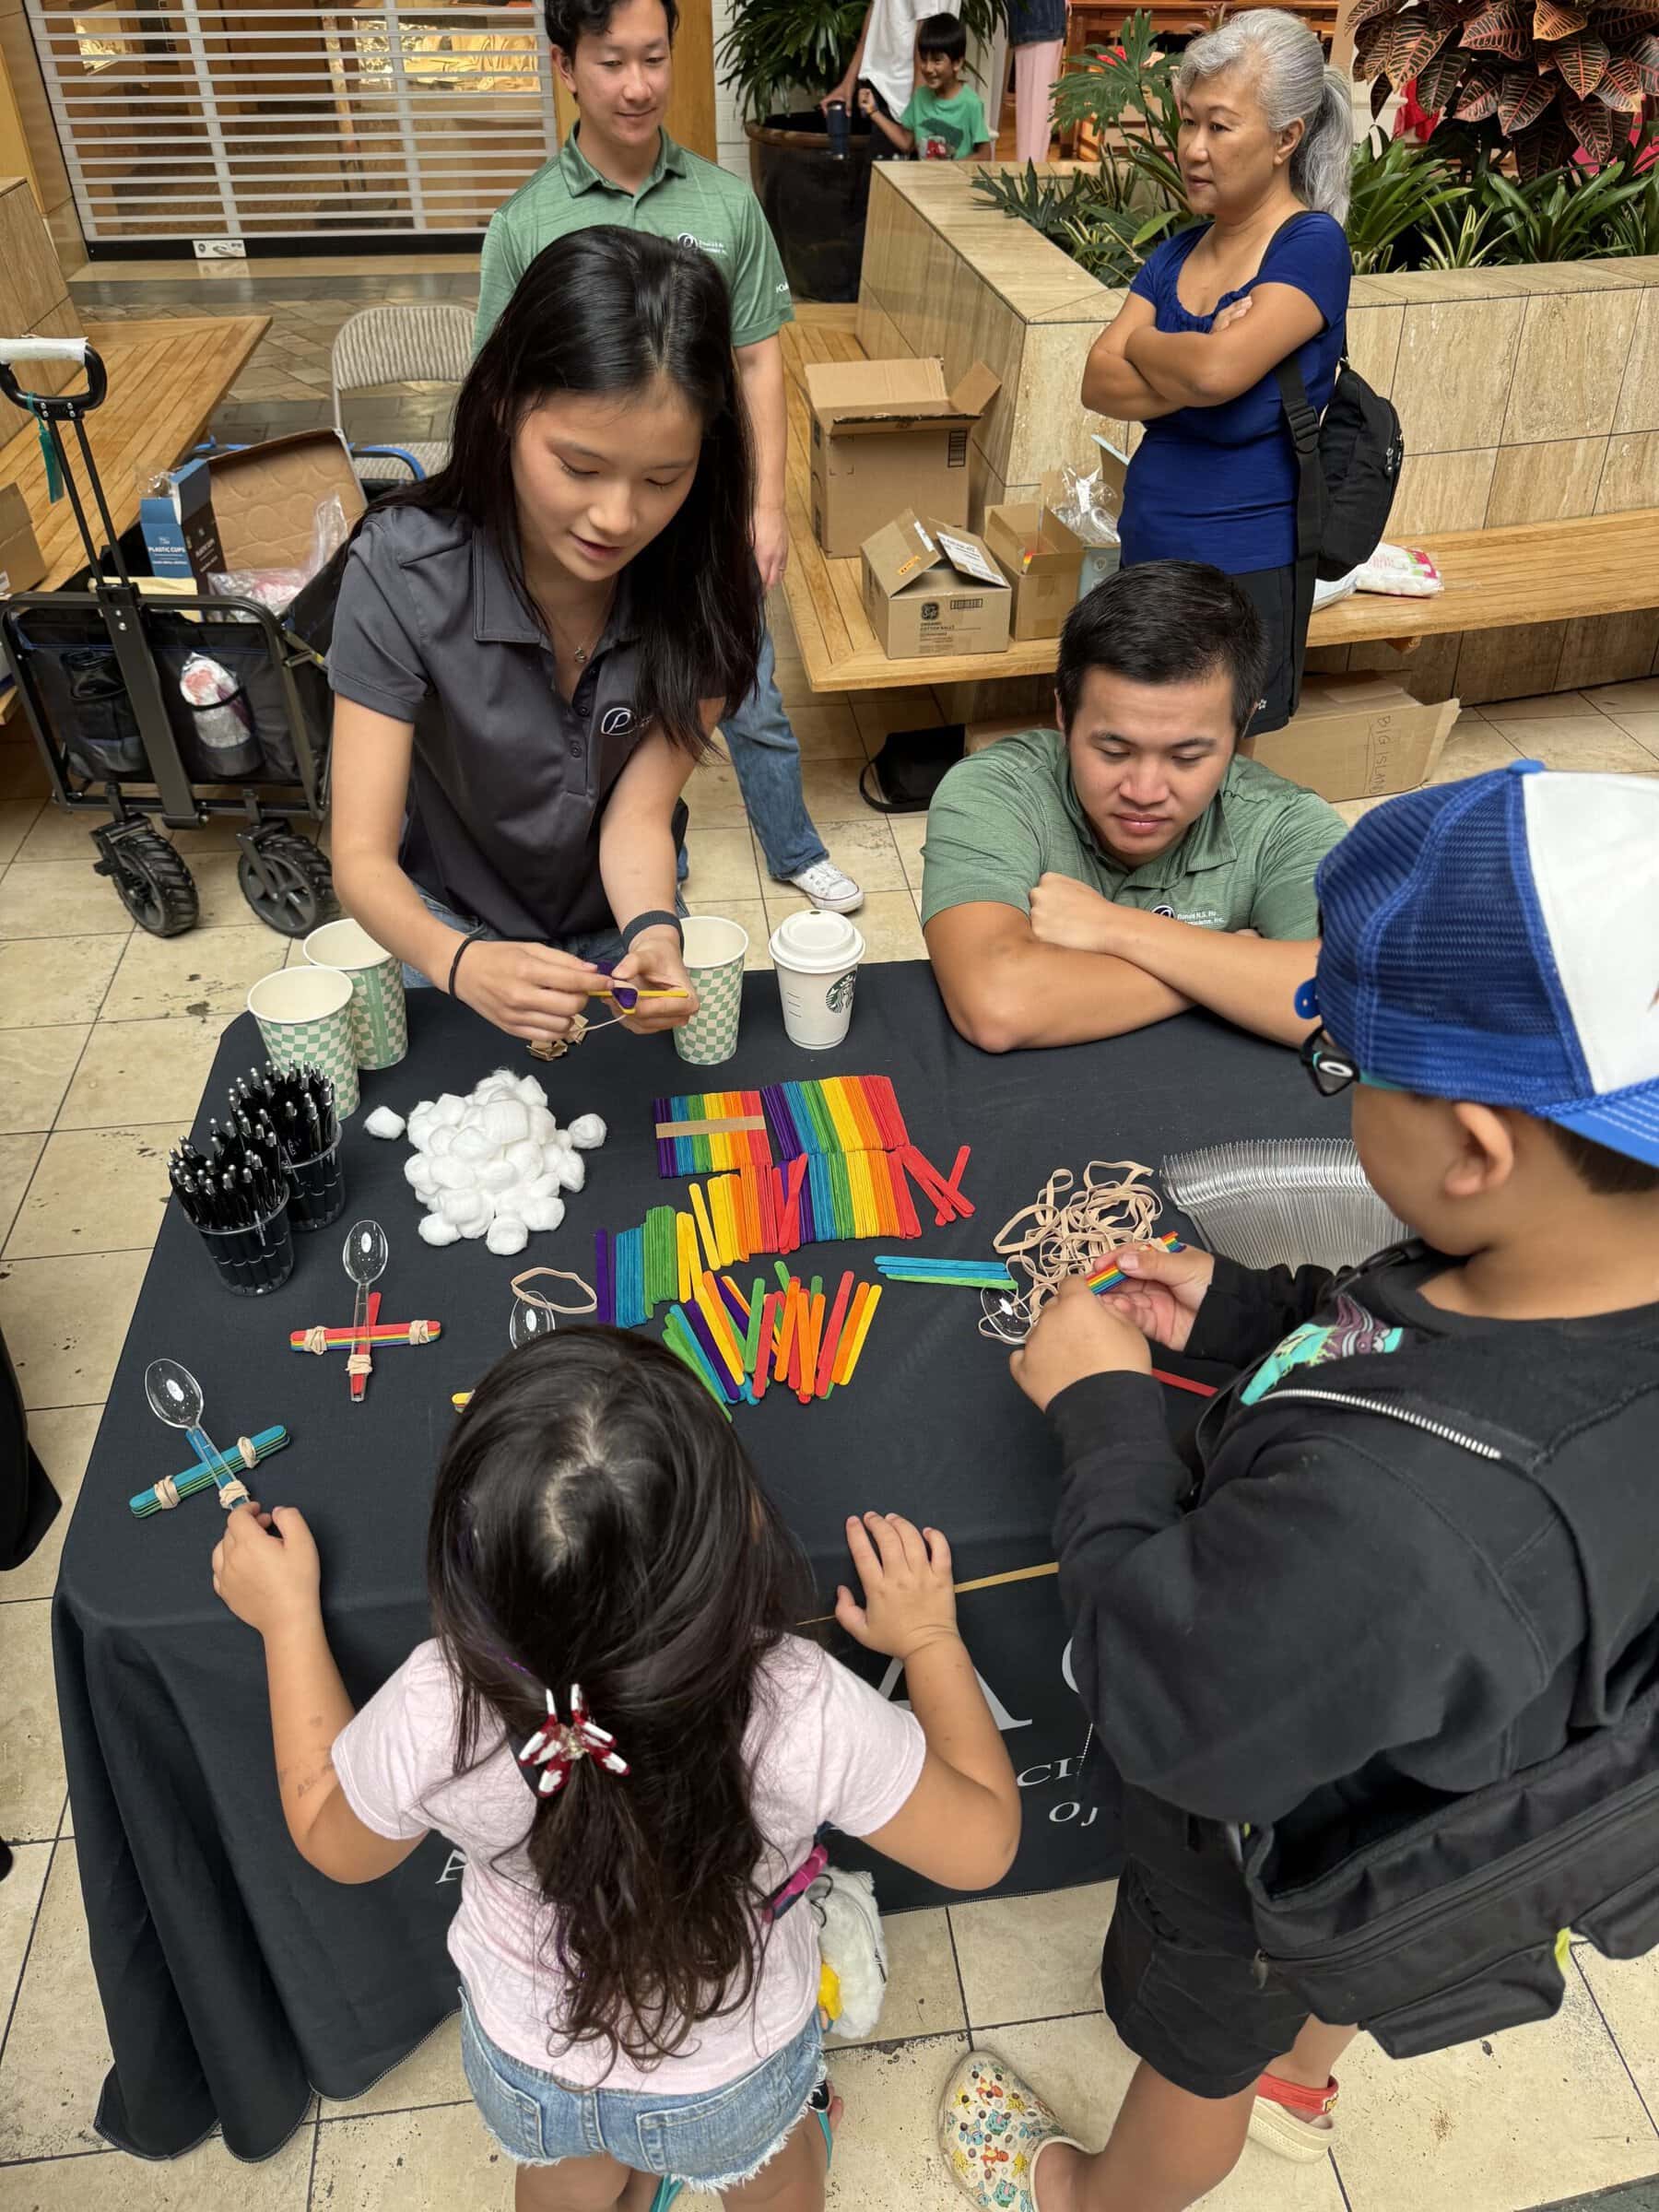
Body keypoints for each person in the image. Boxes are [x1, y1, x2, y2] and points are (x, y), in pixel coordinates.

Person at [938, 763, 1659, 2212]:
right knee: (1315, 1985)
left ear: (1472, 1151)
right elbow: (1405, 1329)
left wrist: (1108, 1416)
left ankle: (1100, 2191)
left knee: (1205, 2043)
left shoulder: (1402, 1529)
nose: (1333, 1083)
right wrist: (1241, 1313)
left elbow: (1160, 1694)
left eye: (1344, 1067)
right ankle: (1305, 2053)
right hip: (1439, 1788)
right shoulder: (1556, 1276)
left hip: (1286, 1835)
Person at [211, 1327, 1021, 2212]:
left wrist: (289, 1621)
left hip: (530, 2054)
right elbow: (980, 1846)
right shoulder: (798, 1700)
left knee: (565, 2184)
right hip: (730, 2061)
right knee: (777, 2174)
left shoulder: (439, 1697)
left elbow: (335, 1839)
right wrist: (932, 1640)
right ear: (739, 1531)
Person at [476, 0, 864, 918]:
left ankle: (793, 845)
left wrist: (764, 507)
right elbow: (502, 396)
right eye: (614, 62)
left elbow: (760, 356)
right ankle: (652, 850)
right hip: (588, 523)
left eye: (655, 59)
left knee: (750, 687)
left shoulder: (725, 203)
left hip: (706, 506)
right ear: (566, 65)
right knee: (610, 693)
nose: (640, 85)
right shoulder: (526, 224)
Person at [328, 229, 754, 1051]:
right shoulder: (401, 571)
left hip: (615, 930)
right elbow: (360, 855)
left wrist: (656, 935)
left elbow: (638, 816)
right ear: (504, 404)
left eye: (664, 478)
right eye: (581, 467)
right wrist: (460, 962)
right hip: (441, 932)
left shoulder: (704, 582)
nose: (618, 518)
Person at [920, 560, 1343, 1053]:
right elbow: (999, 1005)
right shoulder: (997, 791)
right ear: (1064, 714)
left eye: (1187, 757)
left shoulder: (1285, 824)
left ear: (1241, 727)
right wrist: (1238, 962)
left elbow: (1362, 1009)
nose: (1144, 790)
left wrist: (1114, 928)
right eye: (1114, 752)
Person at [1080, 10, 1355, 734]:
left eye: (1221, 127)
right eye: (1188, 123)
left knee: (1216, 774)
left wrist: (1152, 346)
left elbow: (1213, 376)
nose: (1193, 149)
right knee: (1140, 752)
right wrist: (1198, 352)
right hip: (1146, 548)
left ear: (1286, 138)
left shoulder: (1310, 246)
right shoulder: (1178, 252)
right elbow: (1096, 381)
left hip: (1244, 567)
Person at [821, 0, 962, 153]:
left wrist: (917, 111)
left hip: (901, 100)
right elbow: (878, 7)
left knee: (880, 175)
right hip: (882, 89)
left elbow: (928, 29)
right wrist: (848, 82)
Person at [860, 15, 993, 159]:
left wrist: (954, 170)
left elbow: (985, 154)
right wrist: (873, 111)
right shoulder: (920, 98)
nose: (928, 68)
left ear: (957, 63)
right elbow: (906, 143)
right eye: (924, 59)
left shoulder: (971, 103)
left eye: (937, 60)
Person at [1006, 0, 1067, 165]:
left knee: (1041, 117)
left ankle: (1033, 179)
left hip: (1050, 19)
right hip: (1037, 20)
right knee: (1034, 118)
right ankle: (1029, 181)